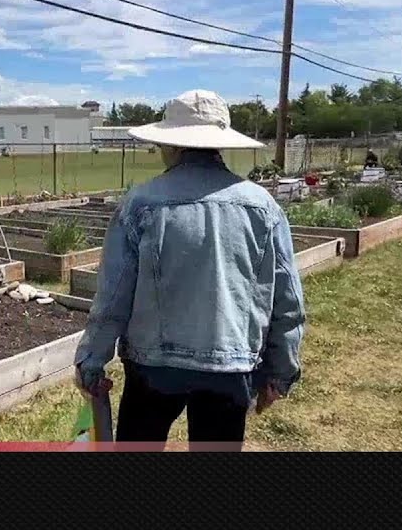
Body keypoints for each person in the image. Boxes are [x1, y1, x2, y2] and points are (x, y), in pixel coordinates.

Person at [73, 90, 306, 450]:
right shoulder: (263, 206)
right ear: (220, 146)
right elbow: (286, 298)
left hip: (153, 366)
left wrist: (92, 360)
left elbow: (113, 295)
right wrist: (281, 371)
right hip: (231, 366)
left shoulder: (141, 203)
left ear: (173, 146)